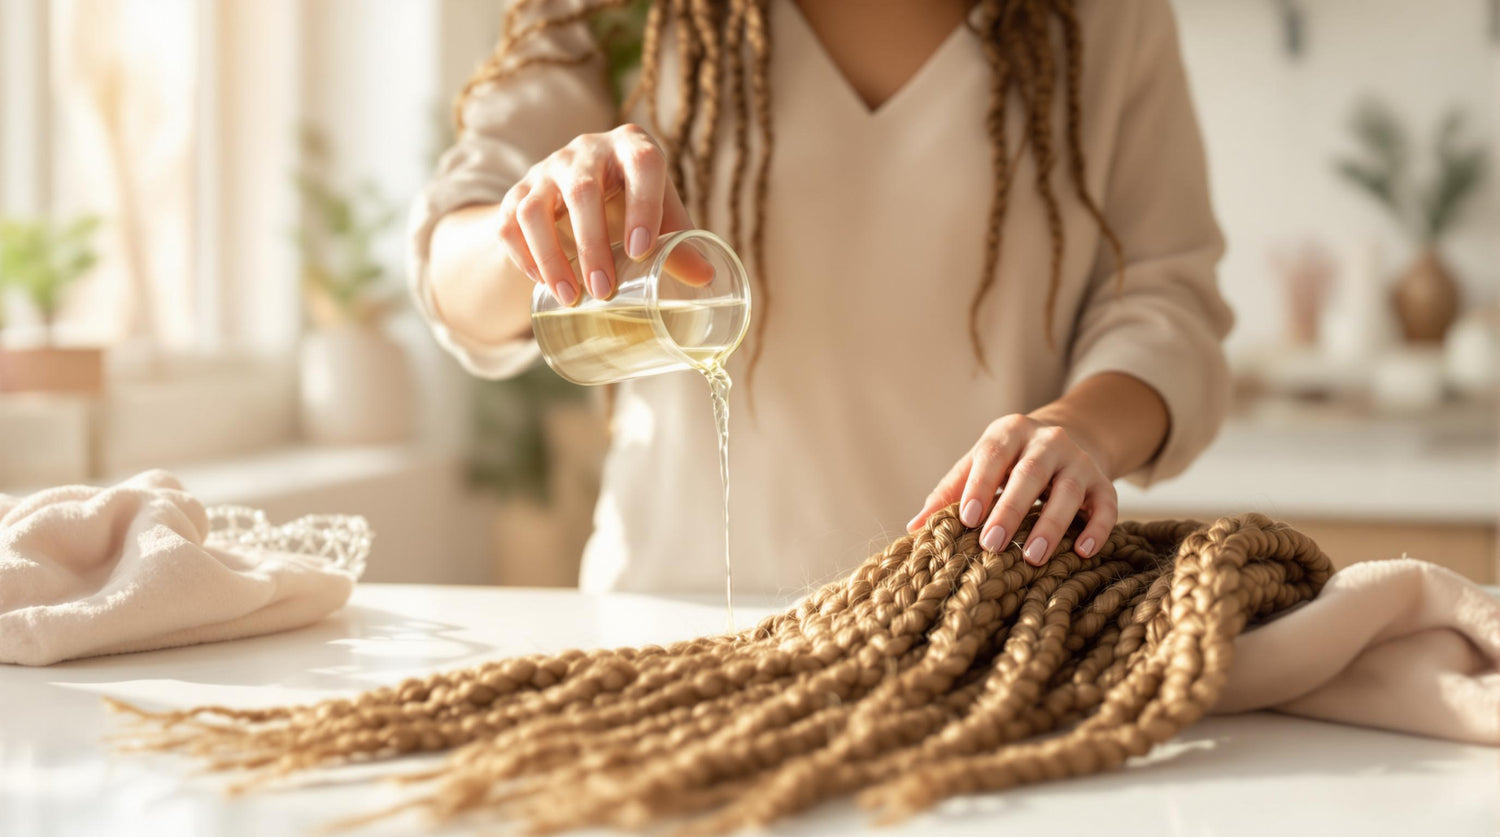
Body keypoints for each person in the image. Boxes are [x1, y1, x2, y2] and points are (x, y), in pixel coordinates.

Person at [410, 0, 1233, 594]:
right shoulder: (617, 14)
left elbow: (1168, 302)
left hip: (975, 626)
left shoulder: (1108, 20)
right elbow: (453, 279)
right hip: (669, 618)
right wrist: (535, 222)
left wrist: (1078, 430)